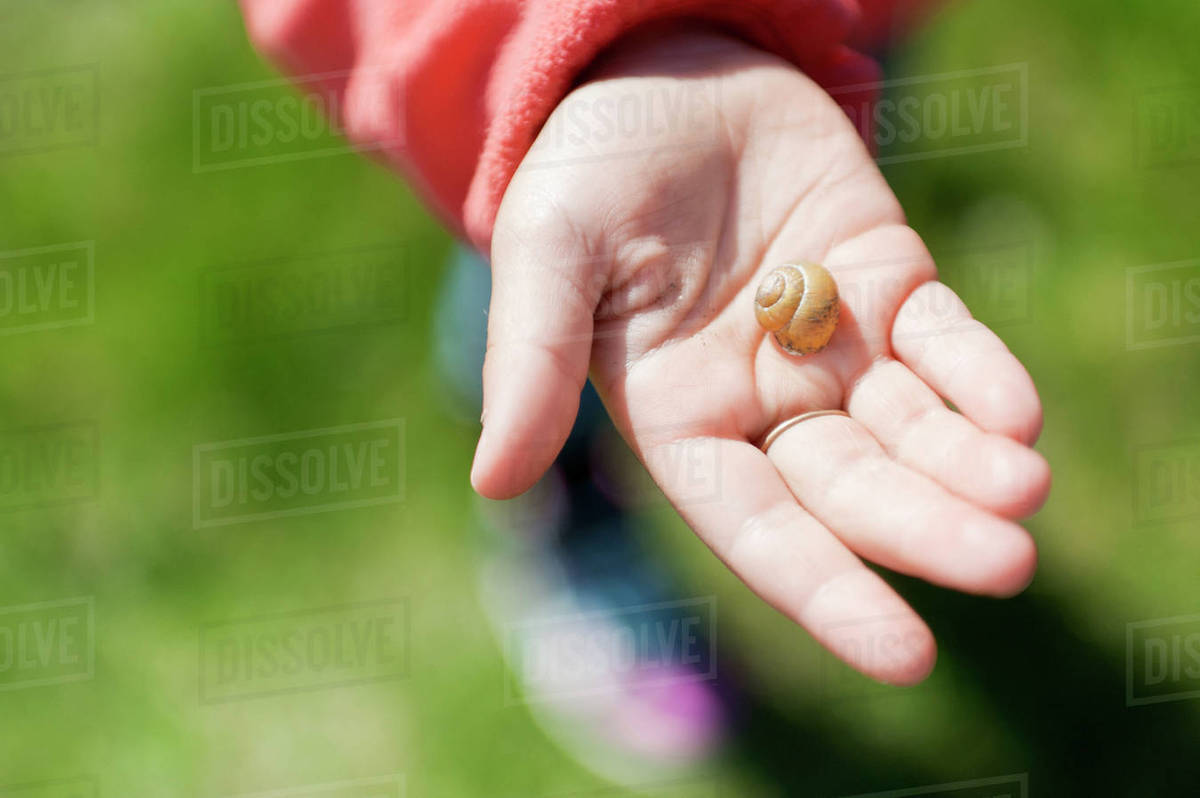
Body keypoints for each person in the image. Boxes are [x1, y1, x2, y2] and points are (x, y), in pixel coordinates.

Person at [239, 0, 1051, 779]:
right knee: (568, 323)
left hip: (849, 31)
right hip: (553, 79)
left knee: (858, 140)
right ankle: (572, 516)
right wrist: (585, 43)